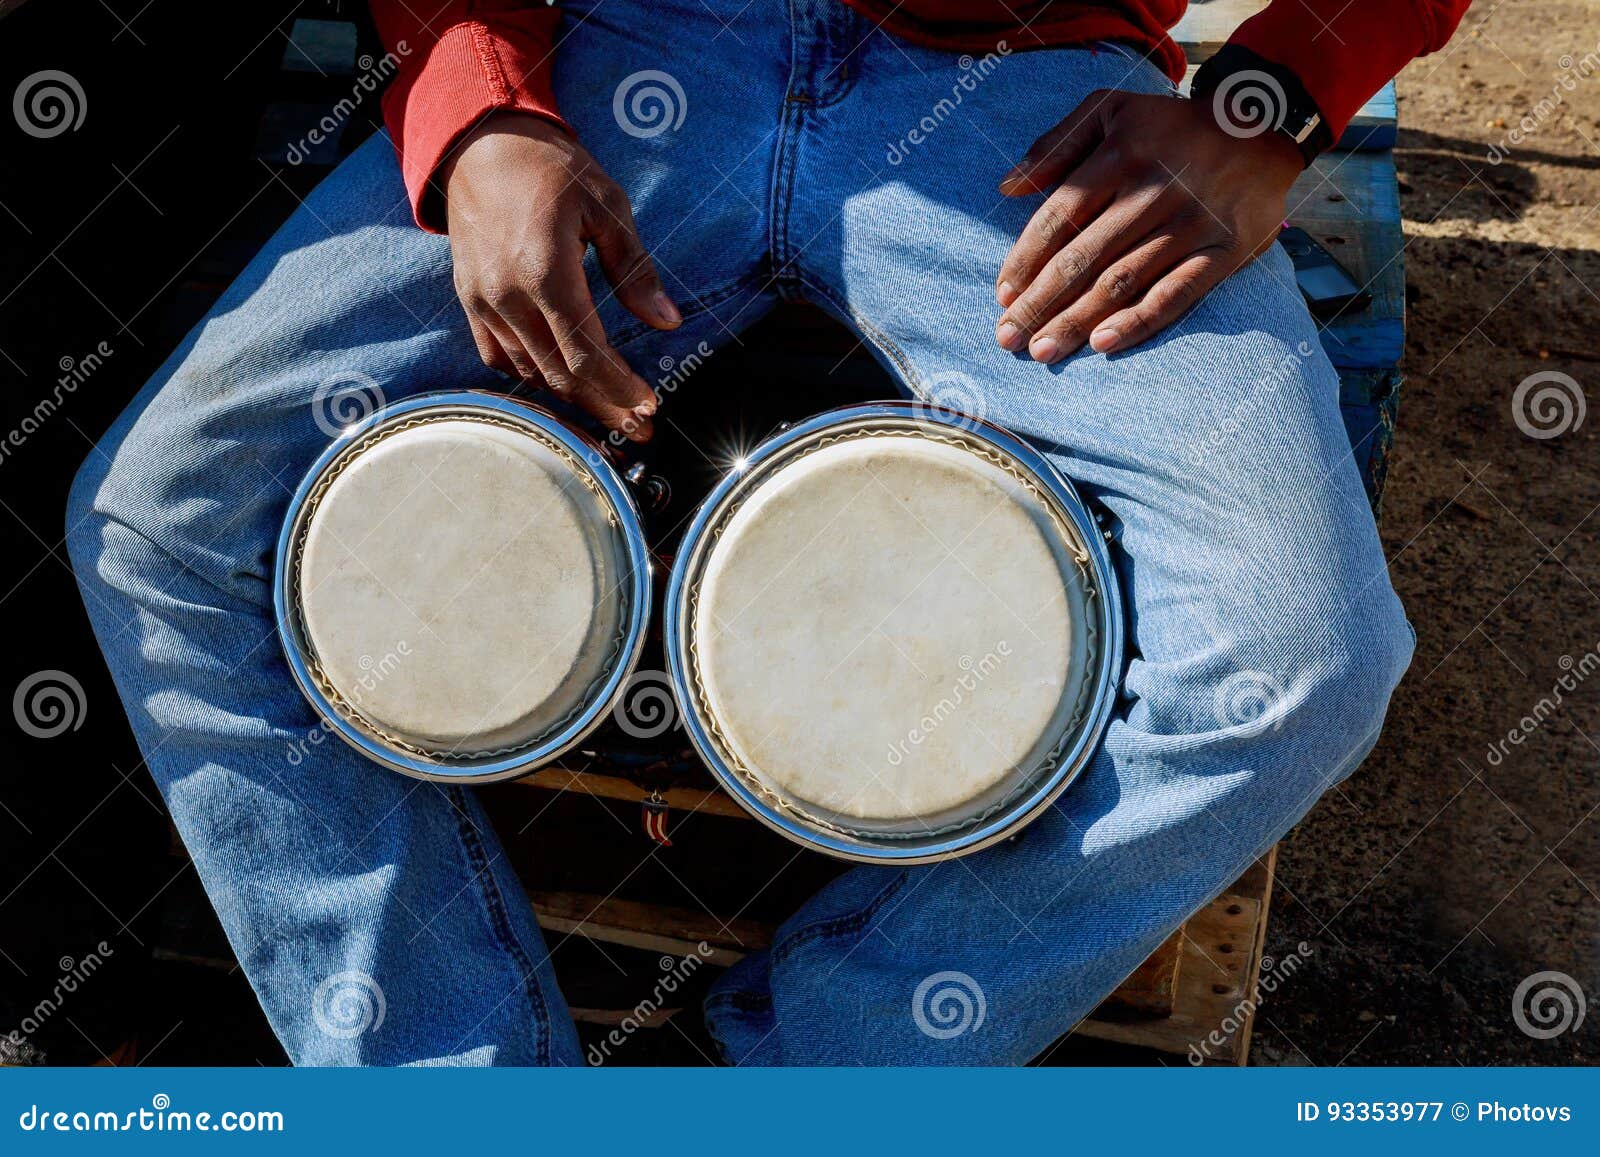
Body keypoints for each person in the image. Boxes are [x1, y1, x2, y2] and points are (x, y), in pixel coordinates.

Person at [65, 0, 1464, 1065]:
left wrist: (1274, 100)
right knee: (166, 523)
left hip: (1031, 98)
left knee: (1303, 656)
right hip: (622, 52)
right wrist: (477, 99)